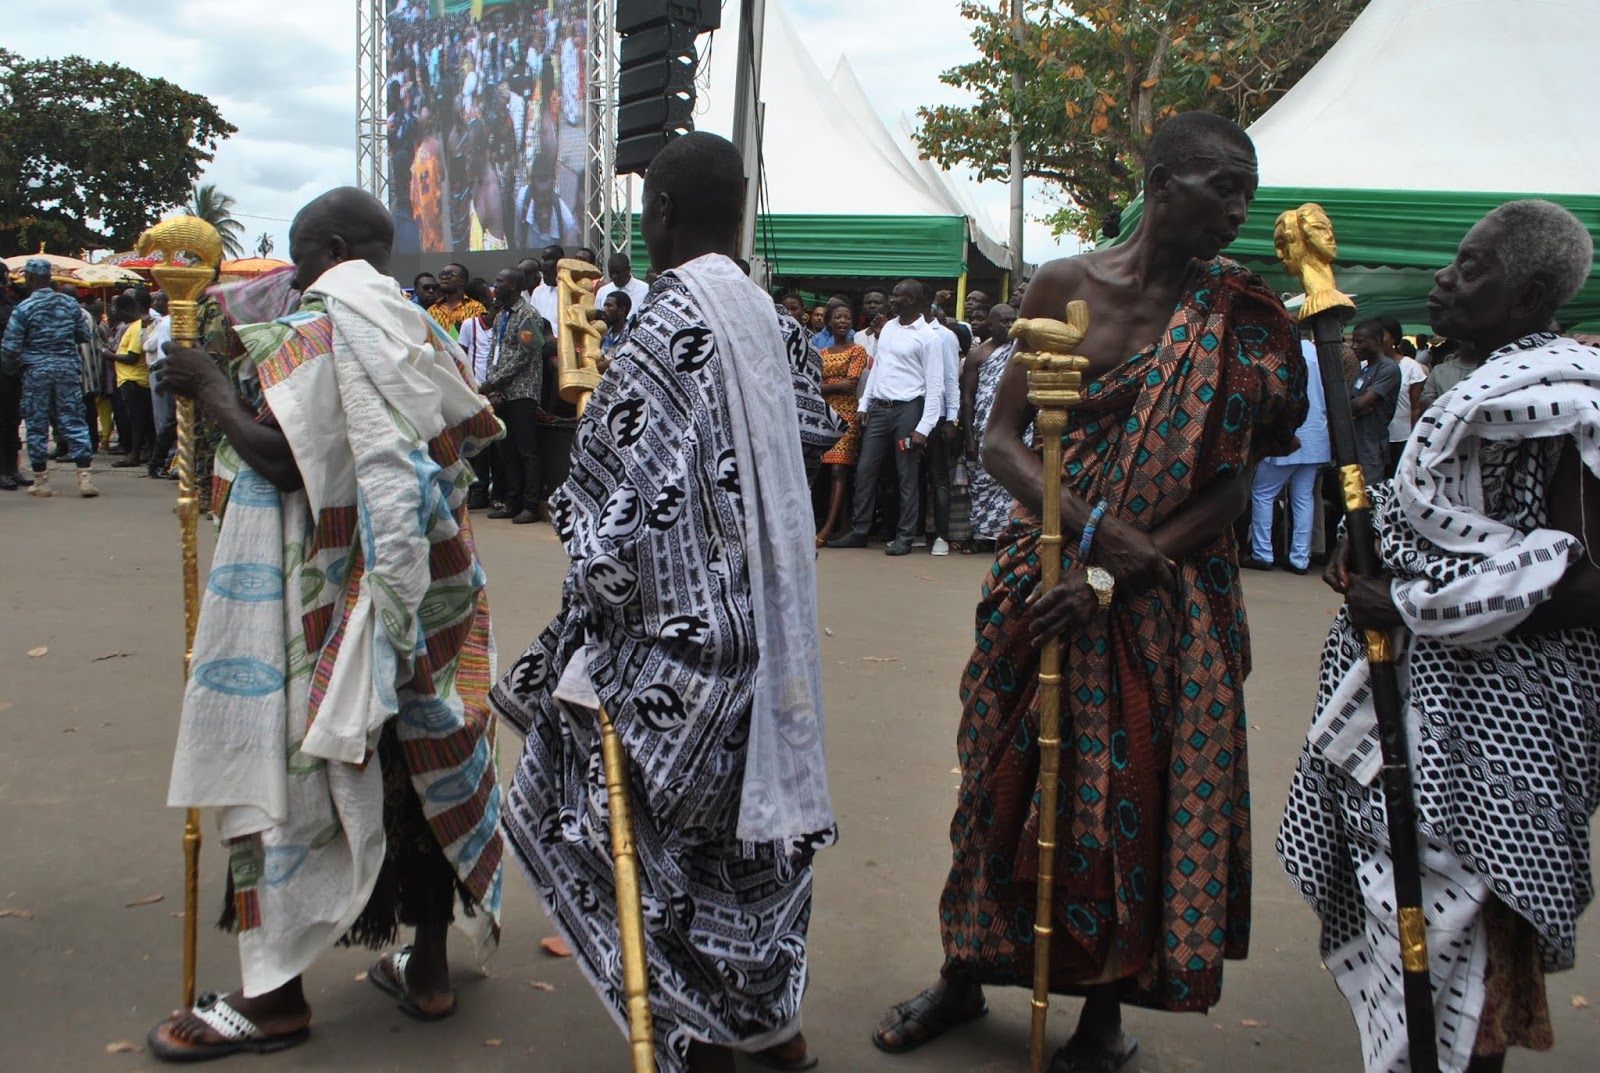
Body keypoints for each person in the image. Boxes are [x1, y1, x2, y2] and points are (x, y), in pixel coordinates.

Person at [872, 111, 1305, 1070]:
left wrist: (1110, 570)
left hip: (1165, 595)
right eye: (1222, 188)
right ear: (1161, 184)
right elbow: (1001, 441)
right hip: (1043, 576)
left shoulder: (1240, 315)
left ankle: (1103, 1017)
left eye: (1247, 192)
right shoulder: (1064, 284)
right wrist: (1090, 528)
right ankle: (963, 971)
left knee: (1134, 799)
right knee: (1001, 778)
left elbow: (1231, 487)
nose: (1238, 210)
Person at [492, 131, 844, 1073]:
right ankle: (773, 1026)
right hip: (777, 632)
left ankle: (705, 1038)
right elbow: (811, 442)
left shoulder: (660, 329)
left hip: (680, 651)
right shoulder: (778, 321)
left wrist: (598, 588)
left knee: (652, 833)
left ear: (659, 214)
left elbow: (606, 515)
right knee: (760, 840)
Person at [147, 187, 504, 1062]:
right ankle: (427, 970)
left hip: (327, 595)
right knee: (420, 758)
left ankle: (275, 997)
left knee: (295, 773)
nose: (298, 273)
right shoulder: (424, 330)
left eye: (303, 256)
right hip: (429, 593)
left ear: (334, 247)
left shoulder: (318, 327)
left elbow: (284, 459)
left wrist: (207, 387)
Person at [1278, 199, 1600, 1073]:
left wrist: (1414, 604)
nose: (1444, 279)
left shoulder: (1567, 400)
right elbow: (1433, 526)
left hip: (1508, 721)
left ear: (1526, 297)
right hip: (1417, 699)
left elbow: (1585, 580)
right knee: (1414, 922)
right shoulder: (1469, 387)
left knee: (1475, 940)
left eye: (1471, 267)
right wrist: (1370, 546)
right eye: (1453, 261)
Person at [825, 279, 942, 556]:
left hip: (908, 409)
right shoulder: (888, 328)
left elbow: (935, 385)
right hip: (878, 408)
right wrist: (864, 405)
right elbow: (877, 368)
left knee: (906, 474)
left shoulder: (929, 337)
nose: (892, 300)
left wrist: (924, 428)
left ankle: (905, 536)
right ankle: (859, 530)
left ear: (912, 300)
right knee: (865, 470)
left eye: (898, 296)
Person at [0, 258, 96, 497]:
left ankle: (41, 481)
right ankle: (85, 478)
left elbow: (10, 347)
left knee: (37, 423)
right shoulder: (70, 304)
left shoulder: (24, 308)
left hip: (36, 370)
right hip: (66, 367)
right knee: (73, 419)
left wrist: (11, 369)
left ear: (30, 278)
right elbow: (83, 335)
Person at [1244, 335, 1329, 573]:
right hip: (1316, 433)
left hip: (1291, 432)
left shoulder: (1281, 351)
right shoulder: (1320, 353)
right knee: (1303, 497)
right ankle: (1300, 559)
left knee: (1263, 493)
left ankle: (1263, 554)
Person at [479, 266, 545, 525]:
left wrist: (494, 381)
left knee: (526, 450)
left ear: (514, 286)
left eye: (500, 281)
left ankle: (530, 505)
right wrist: (492, 383)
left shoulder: (529, 314)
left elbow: (525, 354)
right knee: (506, 451)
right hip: (501, 392)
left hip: (522, 391)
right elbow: (494, 351)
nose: (495, 286)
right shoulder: (501, 316)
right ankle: (512, 501)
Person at [961, 302, 1018, 546]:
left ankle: (1011, 534)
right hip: (984, 426)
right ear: (991, 325)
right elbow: (967, 398)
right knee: (982, 480)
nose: (1010, 325)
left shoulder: (1022, 351)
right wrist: (969, 438)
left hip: (1016, 426)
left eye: (1012, 320)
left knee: (1014, 479)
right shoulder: (978, 354)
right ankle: (982, 536)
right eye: (1004, 321)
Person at [815, 302, 870, 544]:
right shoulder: (821, 353)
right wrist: (833, 385)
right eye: (838, 317)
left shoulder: (858, 351)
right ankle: (843, 526)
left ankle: (826, 530)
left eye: (847, 317)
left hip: (848, 416)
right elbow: (813, 385)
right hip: (824, 416)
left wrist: (825, 386)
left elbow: (851, 384)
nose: (843, 321)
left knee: (839, 469)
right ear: (829, 322)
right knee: (829, 473)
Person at [922, 293, 962, 555]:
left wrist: (951, 418)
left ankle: (941, 536)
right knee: (911, 477)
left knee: (938, 477)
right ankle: (914, 532)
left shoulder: (945, 336)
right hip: (911, 411)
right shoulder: (901, 331)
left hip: (937, 415)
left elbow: (950, 378)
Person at [1348, 318, 1401, 487]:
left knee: (1367, 496)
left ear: (1377, 341)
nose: (1354, 346)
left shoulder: (1388, 368)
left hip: (1371, 450)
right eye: (1353, 341)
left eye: (1360, 342)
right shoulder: (1365, 369)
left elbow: (1360, 404)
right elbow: (1348, 403)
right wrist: (1354, 407)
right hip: (1356, 446)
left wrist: (1356, 406)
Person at [110, 289, 158, 470]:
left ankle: (135, 454)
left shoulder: (138, 326)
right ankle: (146, 453)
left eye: (118, 311)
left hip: (134, 380)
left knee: (137, 420)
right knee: (142, 420)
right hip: (132, 380)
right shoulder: (136, 326)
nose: (117, 315)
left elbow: (132, 356)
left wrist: (108, 355)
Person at [1383, 316, 1426, 477]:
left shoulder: (1411, 367)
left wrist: (1415, 438)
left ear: (1394, 338)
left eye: (1382, 335)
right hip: (1374, 438)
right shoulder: (1365, 366)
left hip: (1401, 436)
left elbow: (1415, 406)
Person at [426, 262, 485, 338]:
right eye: (442, 274)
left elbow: (480, 338)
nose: (443, 277)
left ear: (462, 281)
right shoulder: (432, 310)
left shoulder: (476, 308)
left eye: (449, 274)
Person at [599, 288, 632, 359]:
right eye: (604, 306)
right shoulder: (604, 333)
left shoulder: (631, 335)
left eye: (609, 306)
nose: (604, 310)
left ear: (621, 310)